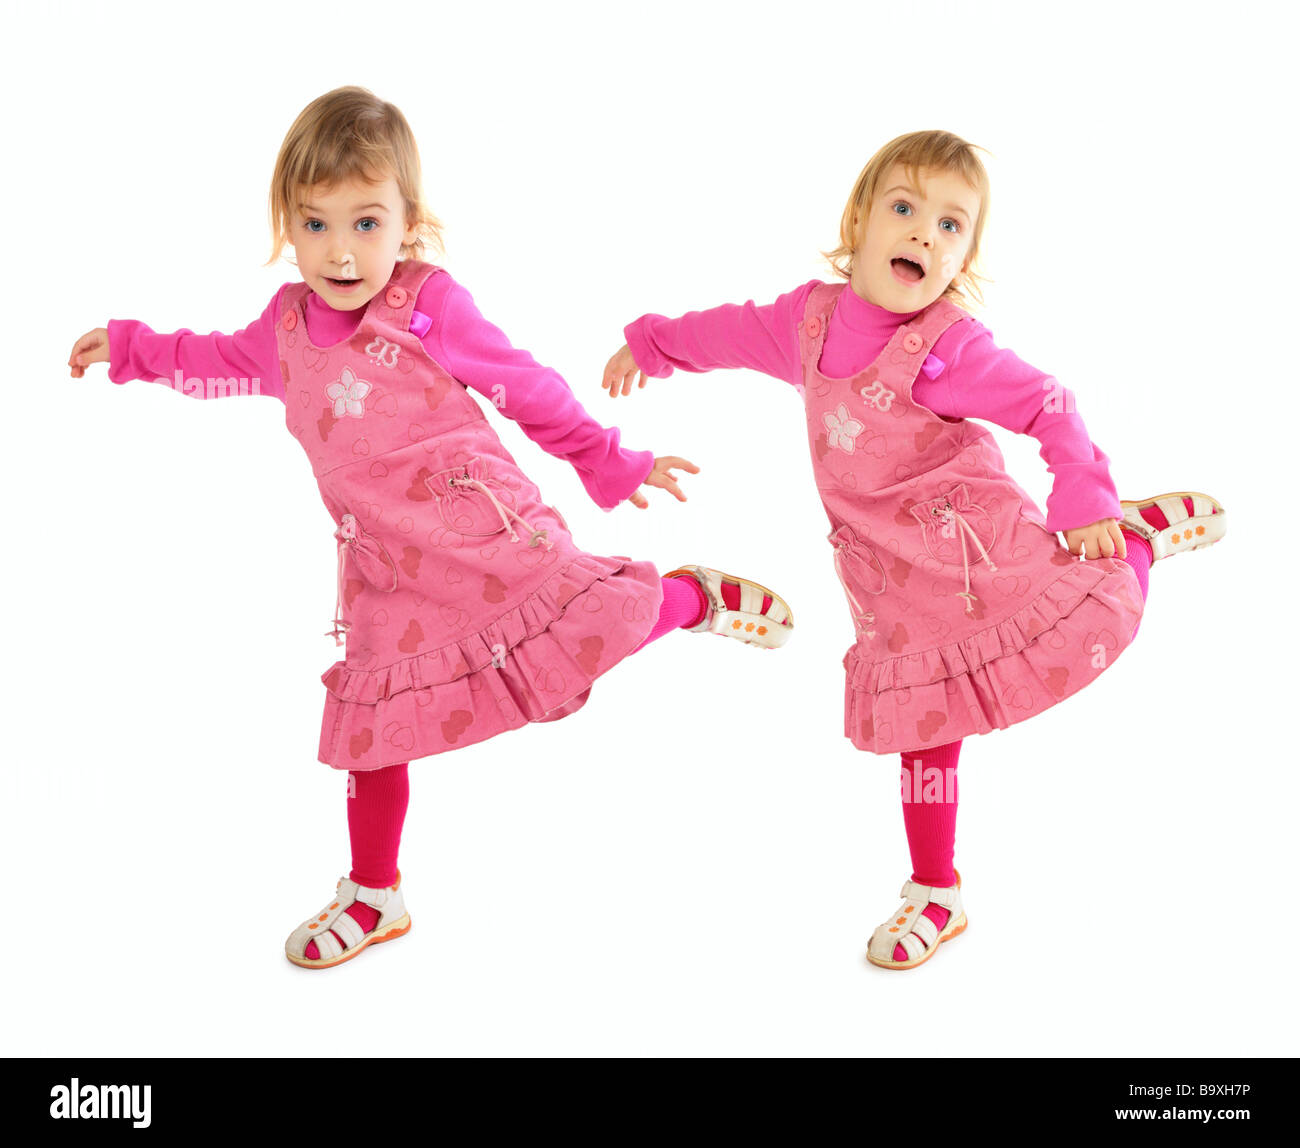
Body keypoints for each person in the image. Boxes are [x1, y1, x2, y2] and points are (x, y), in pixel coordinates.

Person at [66, 86, 794, 970]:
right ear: (286, 229)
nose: (341, 251)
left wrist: (612, 460)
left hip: (483, 532)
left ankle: (689, 598)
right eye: (317, 224)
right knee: (372, 733)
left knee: (593, 625)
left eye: (367, 223)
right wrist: (135, 349)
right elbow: (214, 362)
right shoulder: (284, 331)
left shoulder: (426, 306)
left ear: (408, 222)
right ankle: (375, 897)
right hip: (383, 571)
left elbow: (524, 387)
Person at [602, 129, 1226, 970]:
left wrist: (1085, 494)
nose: (925, 235)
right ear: (858, 221)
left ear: (964, 255)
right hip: (891, 580)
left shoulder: (945, 347)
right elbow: (727, 331)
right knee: (924, 735)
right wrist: (653, 344)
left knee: (1094, 628)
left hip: (981, 552)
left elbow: (1050, 403)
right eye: (905, 209)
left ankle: (1133, 541)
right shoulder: (805, 321)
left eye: (951, 226)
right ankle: (936, 891)